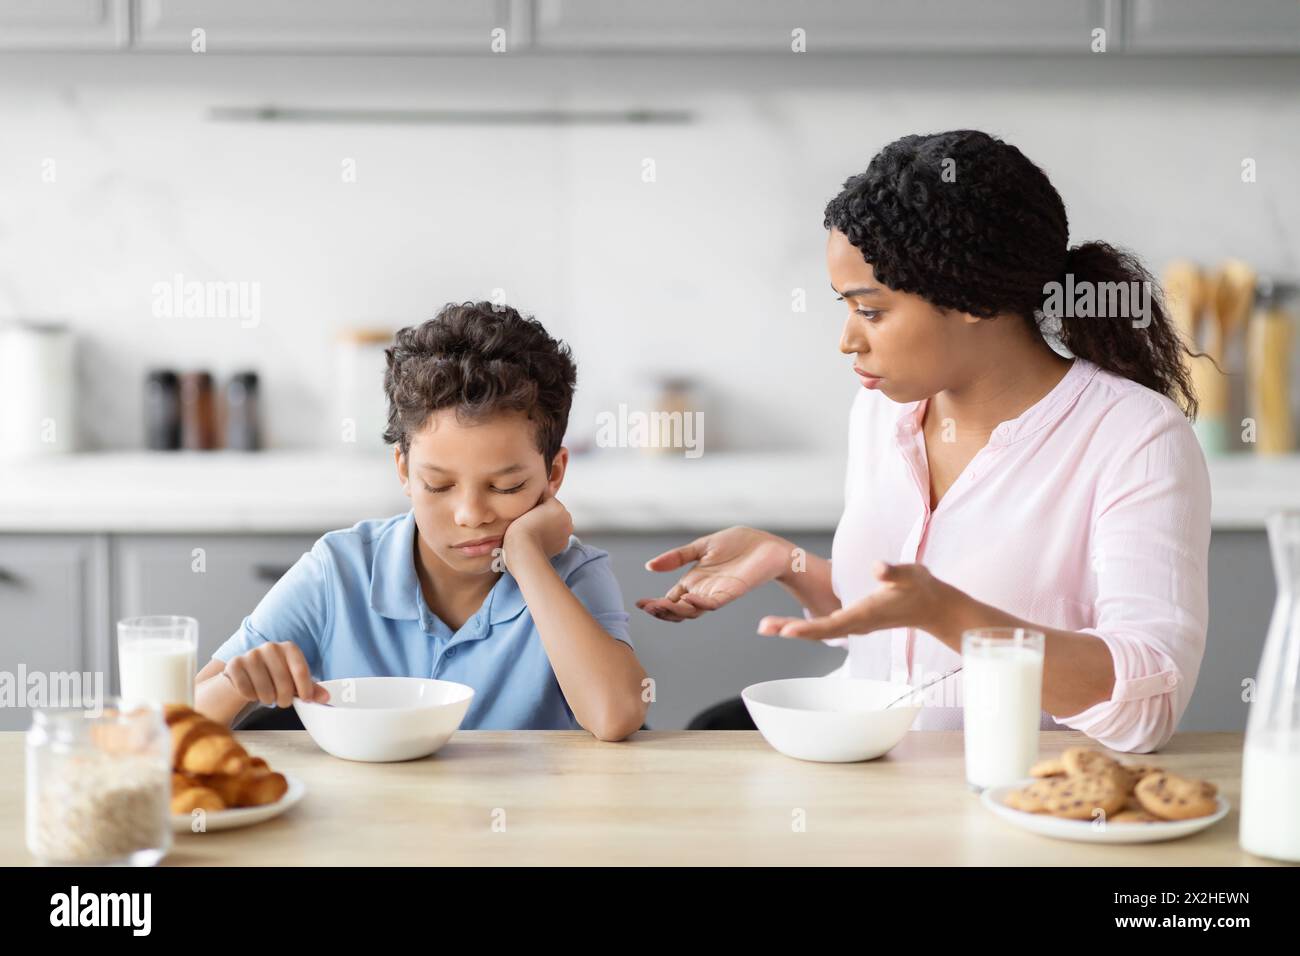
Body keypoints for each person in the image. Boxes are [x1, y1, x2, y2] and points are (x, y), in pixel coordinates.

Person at [638, 130, 1209, 754]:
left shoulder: (1135, 437)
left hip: (1017, 807)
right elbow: (891, 633)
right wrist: (790, 562)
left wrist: (949, 614)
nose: (847, 340)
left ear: (972, 300)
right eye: (846, 307)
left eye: (872, 311)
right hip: (868, 782)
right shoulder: (882, 414)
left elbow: (1149, 704)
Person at [194, 301, 648, 740]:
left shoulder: (572, 575)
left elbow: (616, 715)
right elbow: (180, 718)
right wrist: (236, 686)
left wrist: (527, 557)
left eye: (505, 487)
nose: (471, 515)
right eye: (438, 485)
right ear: (404, 470)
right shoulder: (340, 571)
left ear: (553, 474)